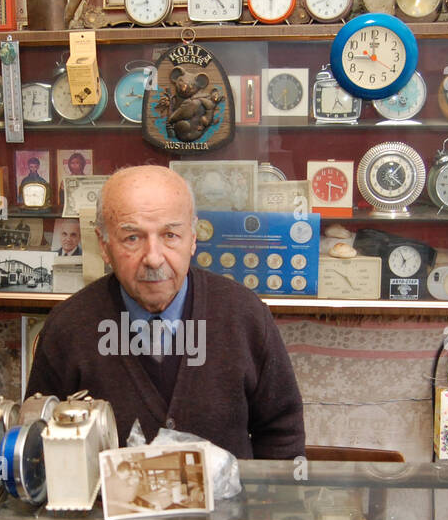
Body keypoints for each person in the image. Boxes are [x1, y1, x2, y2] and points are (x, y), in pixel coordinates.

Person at [25, 165, 304, 460]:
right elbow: (41, 447)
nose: (154, 258)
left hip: (228, 505)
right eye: (132, 238)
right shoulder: (67, 328)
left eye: (170, 235)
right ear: (104, 246)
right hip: (106, 506)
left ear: (193, 238)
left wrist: (264, 503)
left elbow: (282, 434)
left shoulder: (246, 316)